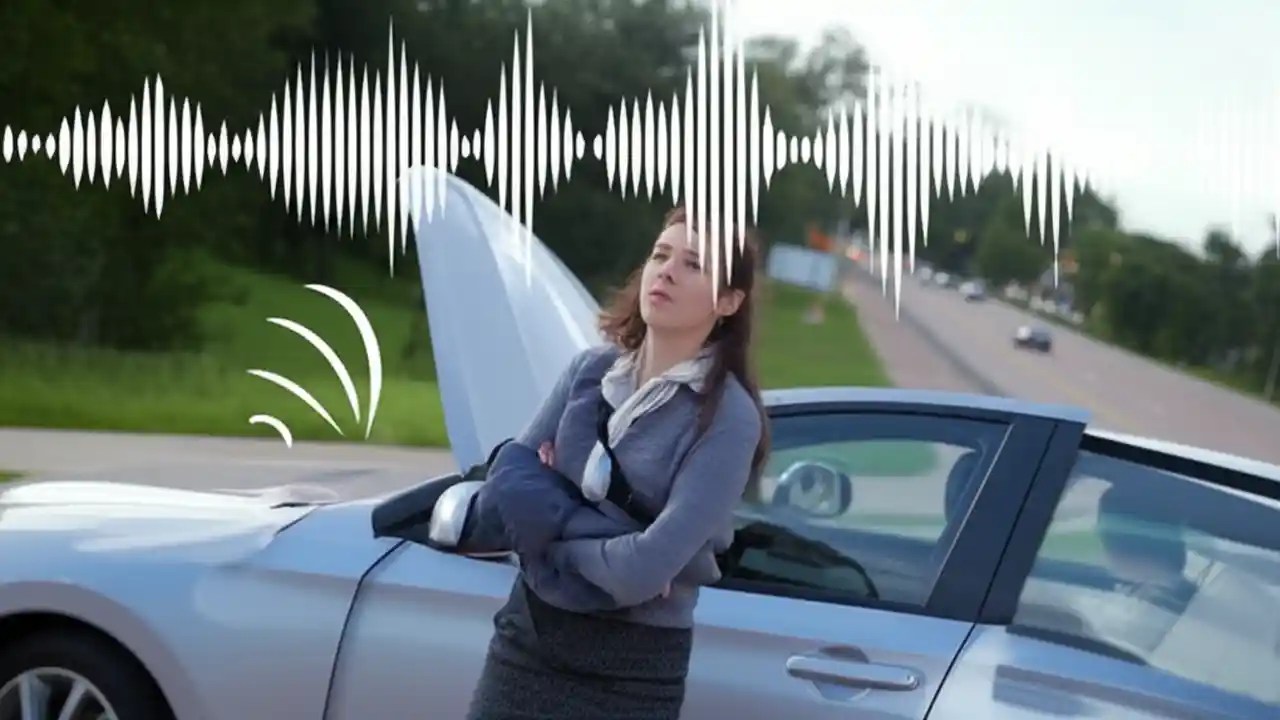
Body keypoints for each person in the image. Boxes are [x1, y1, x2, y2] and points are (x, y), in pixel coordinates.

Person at [463, 206, 769, 720]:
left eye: (693, 265)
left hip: (629, 669)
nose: (666, 271)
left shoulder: (729, 417)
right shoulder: (589, 371)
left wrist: (554, 529)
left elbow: (643, 573)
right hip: (528, 635)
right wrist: (609, 541)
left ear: (729, 300)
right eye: (660, 254)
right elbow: (504, 494)